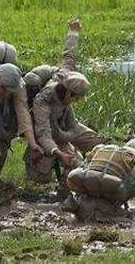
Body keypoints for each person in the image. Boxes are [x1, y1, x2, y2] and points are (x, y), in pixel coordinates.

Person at [25, 19, 107, 198]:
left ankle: (65, 189)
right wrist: (58, 153)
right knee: (41, 176)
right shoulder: (43, 100)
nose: (77, 101)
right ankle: (61, 188)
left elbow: (69, 55)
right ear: (69, 94)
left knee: (100, 146)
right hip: (49, 134)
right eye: (76, 98)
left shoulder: (66, 74)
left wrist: (73, 32)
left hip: (68, 127)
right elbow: (43, 134)